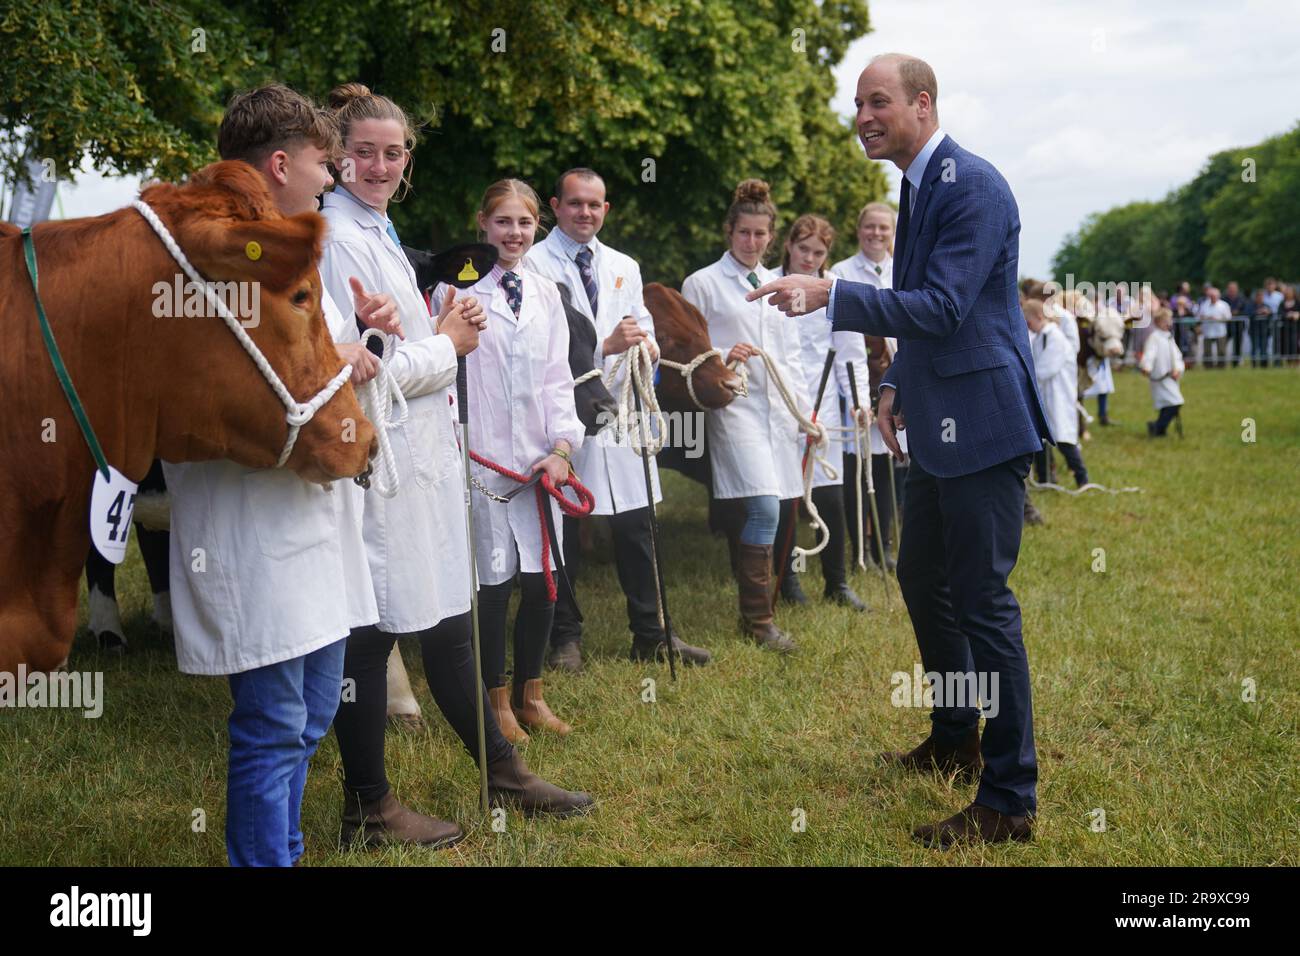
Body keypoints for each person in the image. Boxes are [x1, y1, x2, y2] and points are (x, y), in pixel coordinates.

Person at [750, 53, 1051, 846]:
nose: (863, 117)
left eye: (878, 102)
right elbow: (929, 311)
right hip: (936, 420)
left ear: (923, 103)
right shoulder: (919, 187)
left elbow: (947, 304)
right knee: (921, 574)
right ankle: (955, 735)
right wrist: (896, 387)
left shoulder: (971, 185)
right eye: (857, 104)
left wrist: (831, 294)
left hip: (983, 424)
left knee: (984, 600)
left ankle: (1009, 798)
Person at [318, 85, 592, 848]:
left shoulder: (376, 227)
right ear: (338, 156)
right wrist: (448, 344)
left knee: (444, 621)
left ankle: (501, 768)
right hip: (384, 464)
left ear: (408, 161)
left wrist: (443, 330)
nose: (378, 164)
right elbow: (355, 372)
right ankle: (368, 807)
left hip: (422, 462)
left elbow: (397, 346)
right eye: (363, 151)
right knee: (373, 633)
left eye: (393, 152)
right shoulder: (339, 238)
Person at [163, 84, 390, 867]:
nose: (333, 180)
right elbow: (247, 392)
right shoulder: (212, 257)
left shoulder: (287, 248)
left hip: (313, 524)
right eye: (327, 164)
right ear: (283, 162)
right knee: (272, 718)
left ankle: (280, 854)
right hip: (250, 523)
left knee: (312, 711)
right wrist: (341, 374)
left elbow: (304, 366)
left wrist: (358, 348)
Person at [527, 167, 711, 669]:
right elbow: (536, 343)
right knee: (564, 522)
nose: (585, 212)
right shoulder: (534, 264)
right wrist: (604, 348)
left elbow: (643, 327)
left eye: (595, 205)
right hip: (565, 409)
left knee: (637, 521)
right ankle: (564, 637)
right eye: (575, 203)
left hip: (624, 409)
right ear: (556, 206)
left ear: (605, 210)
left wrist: (646, 346)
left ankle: (651, 634)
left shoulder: (624, 265)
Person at [461, 178, 586, 738]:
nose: (514, 233)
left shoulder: (546, 293)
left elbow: (559, 380)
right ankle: (497, 703)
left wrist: (563, 448)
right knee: (493, 585)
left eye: (525, 223)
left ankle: (532, 695)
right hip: (484, 465)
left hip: (541, 465)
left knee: (542, 584)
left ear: (538, 228)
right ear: (483, 224)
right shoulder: (457, 295)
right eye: (503, 221)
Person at [682, 179, 808, 654]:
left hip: (779, 410)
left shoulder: (779, 283)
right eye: (743, 233)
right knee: (763, 505)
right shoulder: (703, 283)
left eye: (760, 234)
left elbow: (790, 352)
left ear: (771, 237)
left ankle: (760, 612)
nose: (751, 242)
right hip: (734, 405)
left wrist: (804, 412)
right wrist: (721, 352)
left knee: (778, 504)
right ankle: (759, 621)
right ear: (729, 232)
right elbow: (685, 348)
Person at [772, 214, 867, 611]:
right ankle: (788, 580)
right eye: (803, 248)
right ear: (789, 246)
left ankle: (837, 583)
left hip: (823, 403)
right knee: (785, 497)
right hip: (779, 403)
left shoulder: (835, 293)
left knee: (830, 496)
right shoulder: (767, 285)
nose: (809, 258)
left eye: (819, 252)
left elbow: (850, 353)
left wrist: (859, 400)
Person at [831, 202, 907, 569]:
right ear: (859, 229)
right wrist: (859, 398)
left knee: (891, 468)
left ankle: (885, 548)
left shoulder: (904, 270)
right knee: (860, 472)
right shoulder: (841, 273)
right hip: (860, 386)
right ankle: (860, 549)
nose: (876, 234)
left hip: (899, 385)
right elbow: (846, 342)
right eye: (870, 227)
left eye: (884, 228)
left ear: (893, 233)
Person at [1025, 300, 1088, 487]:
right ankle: (1045, 479)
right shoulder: (1039, 337)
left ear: (1039, 317)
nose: (1028, 328)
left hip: (1058, 395)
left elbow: (1045, 368)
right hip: (1045, 395)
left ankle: (1082, 479)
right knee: (1042, 439)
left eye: (1028, 323)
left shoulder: (1055, 337)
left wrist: (1026, 379)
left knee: (1063, 439)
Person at [1139, 307, 1185, 436]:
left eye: (1169, 320)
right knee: (1175, 402)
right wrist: (1146, 367)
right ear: (1158, 322)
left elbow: (1177, 356)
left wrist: (1178, 369)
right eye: (1166, 320)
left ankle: (1158, 428)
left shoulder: (1168, 337)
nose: (1169, 323)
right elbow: (1149, 354)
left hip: (1171, 377)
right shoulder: (1155, 337)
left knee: (1168, 403)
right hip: (1160, 377)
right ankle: (1158, 427)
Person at [1197, 286, 1231, 369]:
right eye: (1211, 296)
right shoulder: (1204, 304)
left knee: (1221, 350)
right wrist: (1206, 318)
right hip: (1208, 331)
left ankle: (1221, 366)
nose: (1212, 298)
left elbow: (1228, 317)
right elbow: (1199, 316)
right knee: (1207, 350)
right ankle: (1208, 366)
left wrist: (1218, 319)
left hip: (1220, 331)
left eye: (1214, 296)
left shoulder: (1223, 305)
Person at [1223, 280, 1248, 367]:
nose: (1232, 290)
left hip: (1239, 326)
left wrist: (1237, 313)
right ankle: (1222, 362)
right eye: (1230, 289)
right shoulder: (1224, 299)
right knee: (1223, 344)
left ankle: (1236, 362)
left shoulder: (1241, 299)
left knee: (1237, 345)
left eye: (1233, 289)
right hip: (1227, 326)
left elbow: (1245, 311)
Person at [1279, 285, 1299, 366]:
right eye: (1287, 292)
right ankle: (1289, 362)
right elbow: (1280, 313)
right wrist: (1287, 315)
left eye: (1290, 292)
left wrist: (1297, 314)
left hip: (1296, 328)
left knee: (1296, 344)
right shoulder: (1282, 303)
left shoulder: (1298, 302)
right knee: (1287, 344)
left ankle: (1296, 361)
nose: (1288, 293)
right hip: (1285, 328)